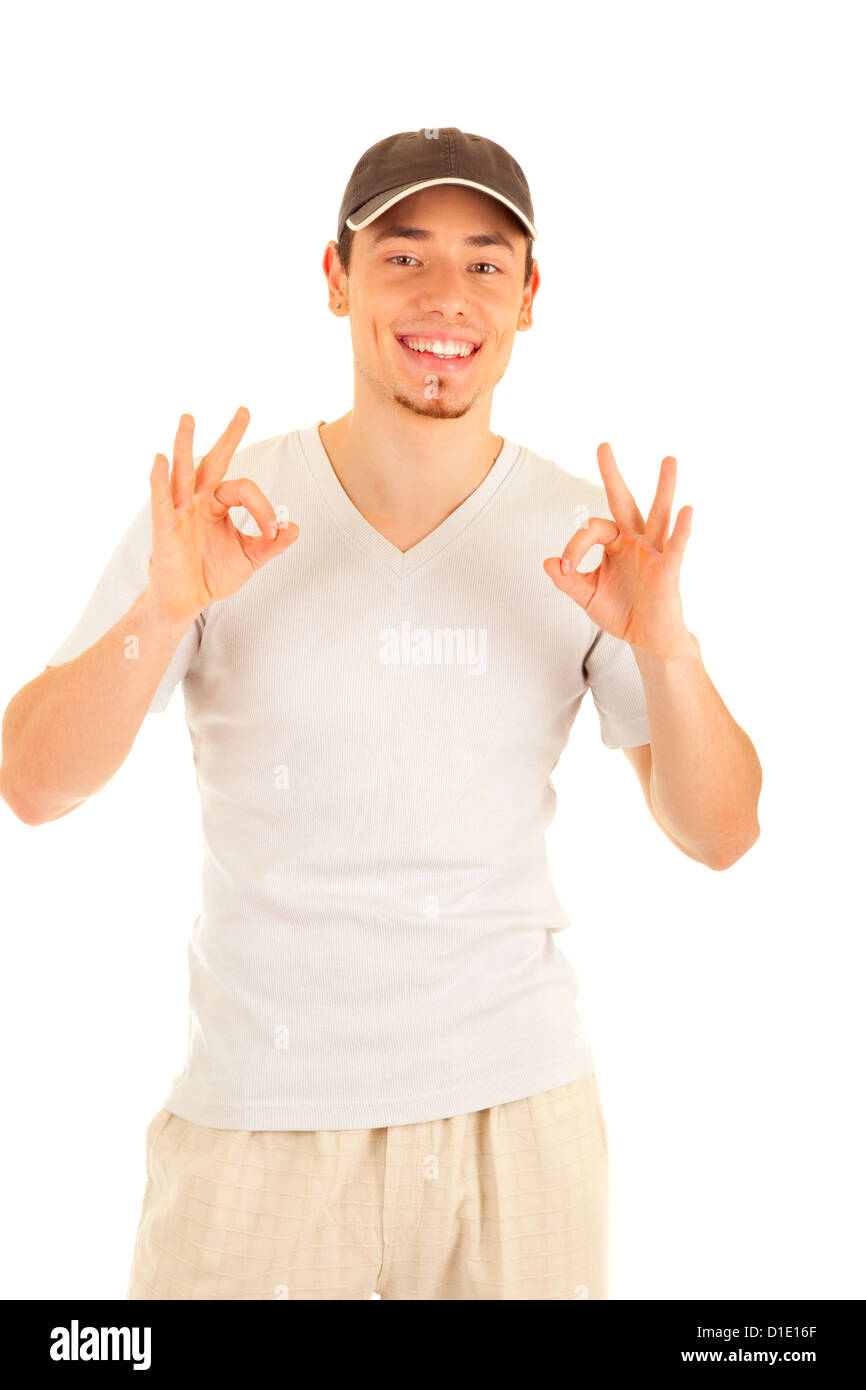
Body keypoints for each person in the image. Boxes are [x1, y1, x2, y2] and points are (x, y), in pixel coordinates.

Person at [0, 127, 762, 1300]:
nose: (444, 296)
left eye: (483, 262)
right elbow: (35, 784)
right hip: (258, 1120)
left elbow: (719, 832)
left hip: (516, 1128)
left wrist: (665, 644)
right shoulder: (219, 519)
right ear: (334, 276)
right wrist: (163, 606)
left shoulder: (587, 538)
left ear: (526, 296)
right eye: (402, 256)